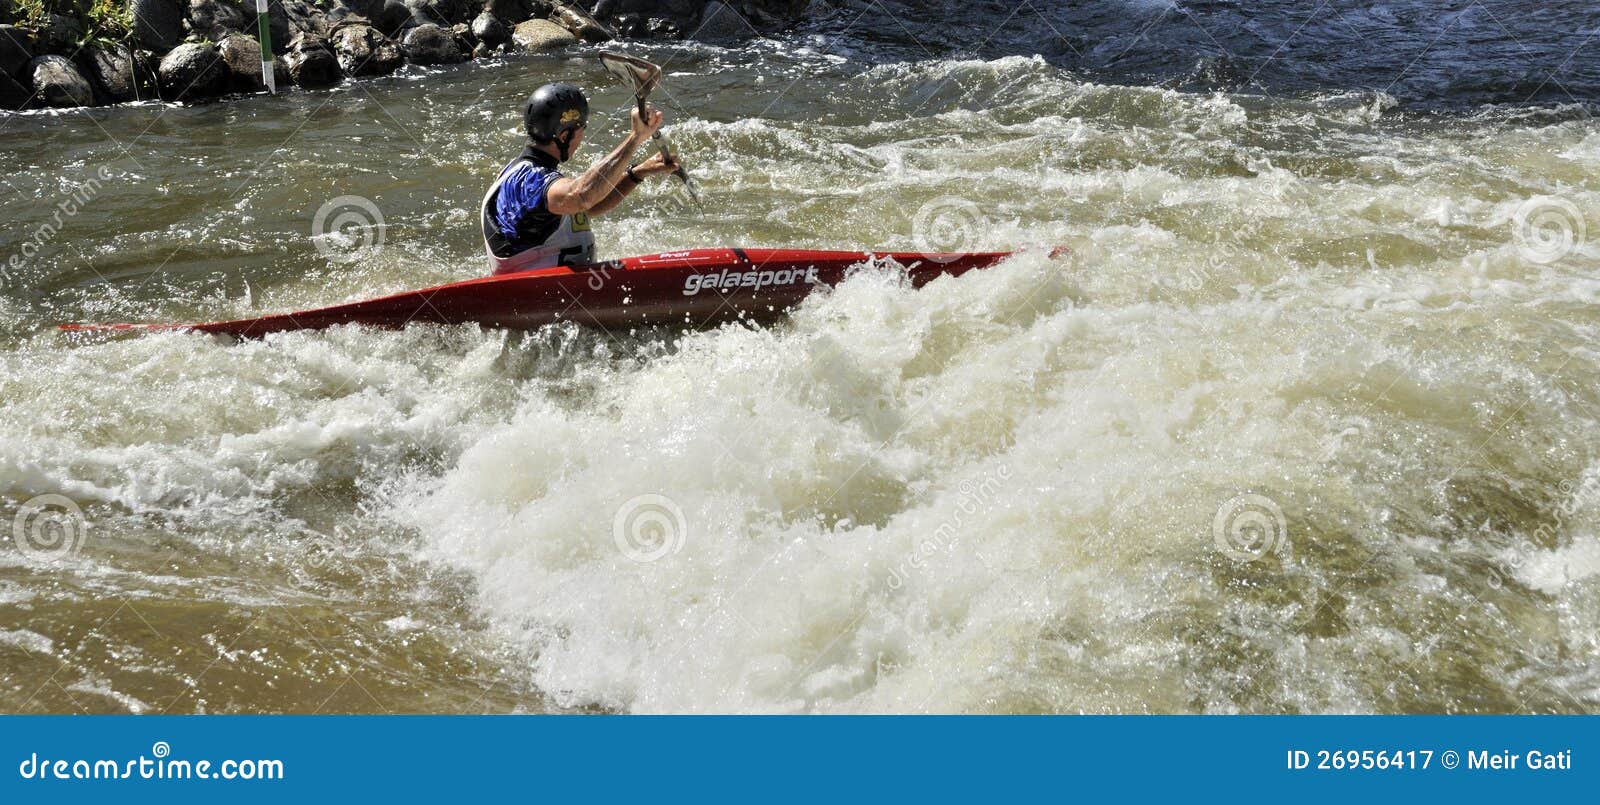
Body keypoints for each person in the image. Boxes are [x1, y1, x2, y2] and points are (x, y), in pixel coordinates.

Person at [481, 82, 679, 274]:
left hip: (562, 296)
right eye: (581, 130)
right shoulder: (527, 180)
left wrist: (637, 173)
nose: (581, 139)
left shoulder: (532, 175)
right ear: (565, 135)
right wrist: (635, 138)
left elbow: (586, 207)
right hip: (535, 298)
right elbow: (582, 196)